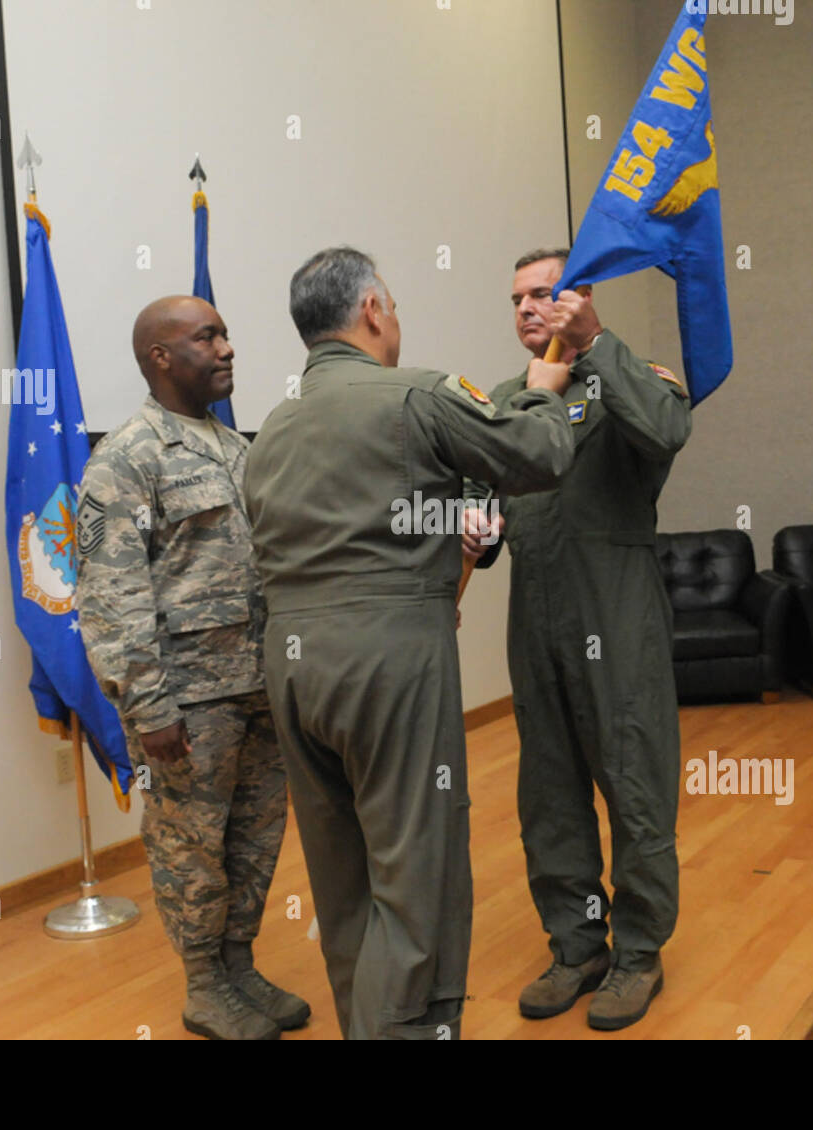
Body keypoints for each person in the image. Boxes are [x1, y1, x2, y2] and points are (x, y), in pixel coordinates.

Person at [243, 247, 575, 1040]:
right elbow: (540, 457)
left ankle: (368, 1026)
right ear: (371, 311)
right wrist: (540, 396)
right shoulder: (417, 395)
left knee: (341, 873)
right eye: (390, 304)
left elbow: (348, 527)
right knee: (415, 866)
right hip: (388, 658)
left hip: (293, 665)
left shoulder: (270, 432)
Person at [462, 248, 691, 1030]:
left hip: (616, 609)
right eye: (517, 297)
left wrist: (594, 348)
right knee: (550, 797)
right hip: (536, 618)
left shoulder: (636, 377)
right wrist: (466, 525)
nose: (528, 308)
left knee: (634, 785)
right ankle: (576, 946)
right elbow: (482, 521)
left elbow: (665, 434)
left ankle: (637, 954)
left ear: (581, 299)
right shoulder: (503, 399)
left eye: (545, 294)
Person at [76, 296, 309, 1041]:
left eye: (225, 333)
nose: (226, 347)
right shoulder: (126, 459)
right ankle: (204, 985)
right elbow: (113, 595)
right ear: (160, 358)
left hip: (260, 685)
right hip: (187, 701)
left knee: (254, 837)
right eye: (206, 337)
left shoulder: (234, 448)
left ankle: (238, 965)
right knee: (190, 847)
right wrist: (149, 708)